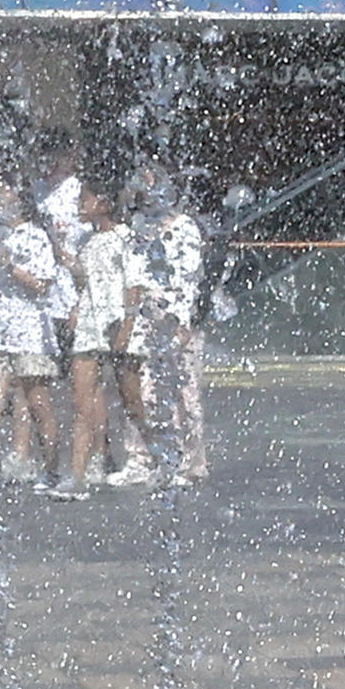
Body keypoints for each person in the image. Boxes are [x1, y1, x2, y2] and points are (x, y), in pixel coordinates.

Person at [0, 178, 63, 493]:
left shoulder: (35, 236)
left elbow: (43, 285)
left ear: (19, 200)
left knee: (38, 403)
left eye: (2, 193)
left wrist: (11, 266)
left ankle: (51, 470)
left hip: (30, 334)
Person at [128, 180, 210, 487]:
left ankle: (190, 461)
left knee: (183, 391)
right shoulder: (142, 226)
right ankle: (147, 457)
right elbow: (135, 270)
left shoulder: (185, 226)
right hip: (147, 315)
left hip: (175, 316)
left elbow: (189, 274)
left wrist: (183, 319)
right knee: (147, 389)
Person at [63, 185, 143, 492]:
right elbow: (85, 281)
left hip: (118, 325)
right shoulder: (86, 240)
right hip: (89, 326)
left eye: (85, 199)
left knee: (131, 400)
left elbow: (133, 285)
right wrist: (76, 307)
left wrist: (127, 327)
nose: (79, 205)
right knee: (82, 399)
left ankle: (153, 457)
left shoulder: (125, 238)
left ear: (105, 202)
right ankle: (78, 474)